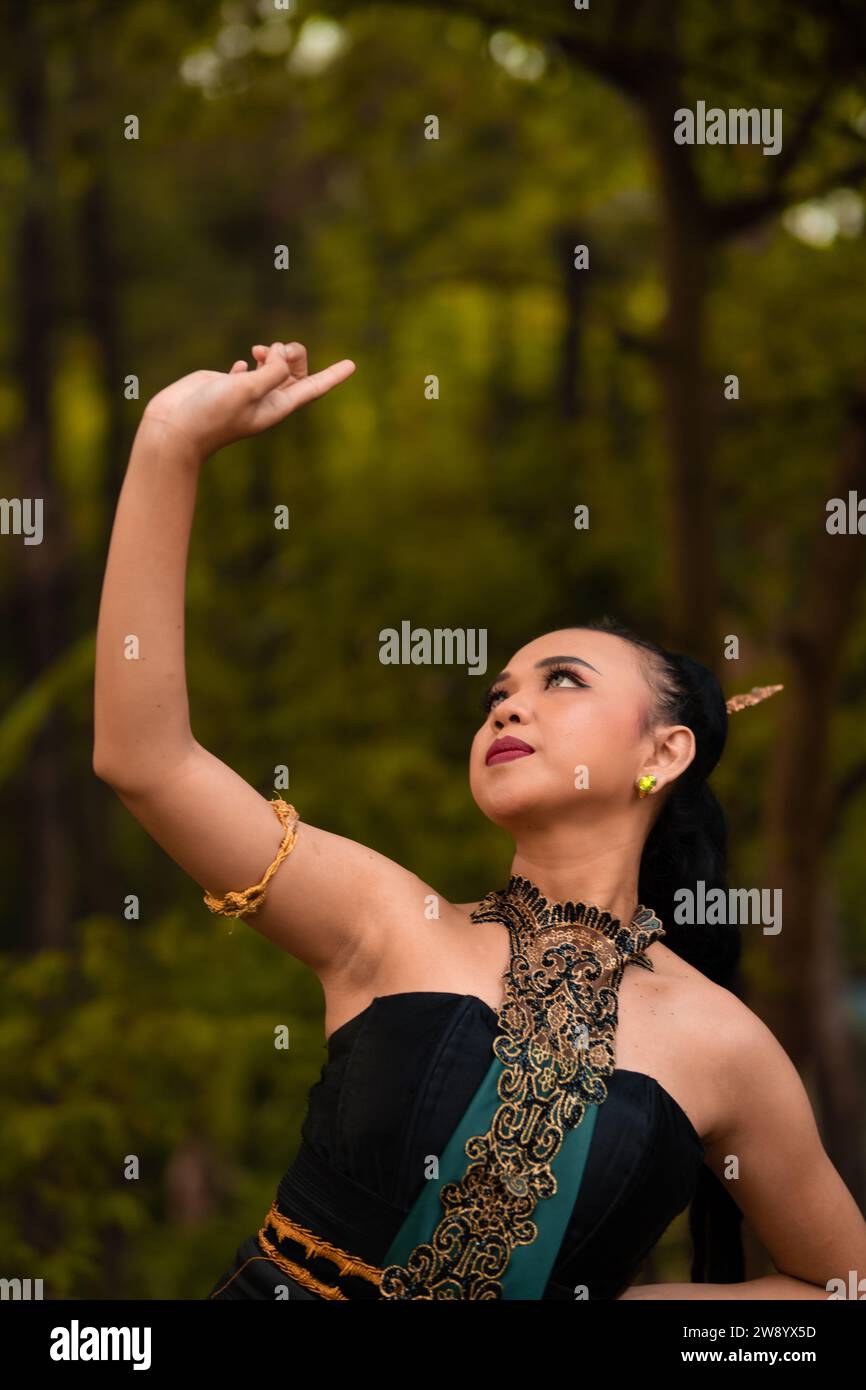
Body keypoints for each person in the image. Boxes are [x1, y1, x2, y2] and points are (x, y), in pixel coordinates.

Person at [93, 341, 866, 1300]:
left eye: (562, 682)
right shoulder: (382, 920)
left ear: (665, 754)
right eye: (498, 691)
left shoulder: (727, 1047)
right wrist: (169, 443)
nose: (507, 706)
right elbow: (146, 760)